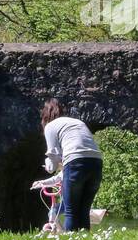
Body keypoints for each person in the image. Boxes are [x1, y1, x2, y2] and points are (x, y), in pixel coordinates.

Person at [40, 98, 104, 232]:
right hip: (96, 162)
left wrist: (48, 165)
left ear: (45, 116)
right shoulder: (77, 122)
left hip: (75, 163)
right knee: (84, 210)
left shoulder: (50, 127)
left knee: (71, 210)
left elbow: (52, 163)